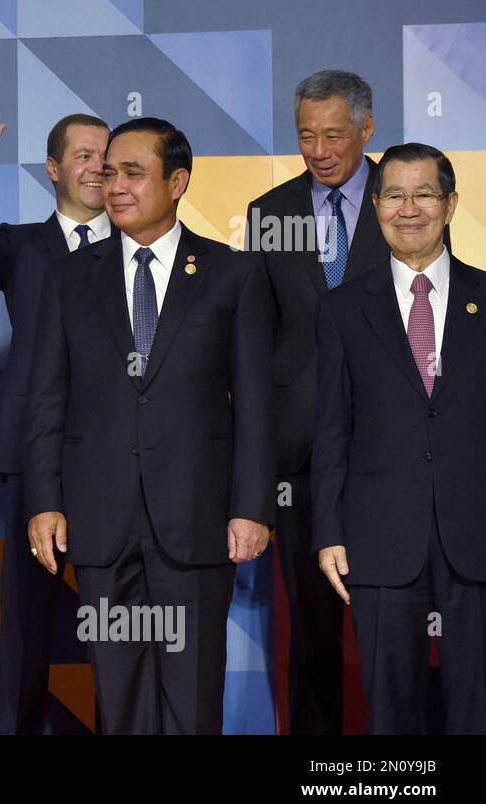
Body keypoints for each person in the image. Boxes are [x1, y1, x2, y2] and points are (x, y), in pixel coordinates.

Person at [24, 118, 275, 734]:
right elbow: (47, 399)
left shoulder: (232, 274)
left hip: (196, 516)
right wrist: (44, 501)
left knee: (192, 698)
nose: (115, 186)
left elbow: (257, 405)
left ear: (178, 181)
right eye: (109, 172)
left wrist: (251, 507)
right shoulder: (70, 276)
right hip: (99, 520)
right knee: (118, 697)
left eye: (133, 173)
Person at [0, 92, 112, 733]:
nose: (98, 167)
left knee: (119, 627)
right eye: (84, 155)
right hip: (31, 457)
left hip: (117, 457)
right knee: (26, 623)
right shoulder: (19, 245)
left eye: (107, 156)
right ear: (53, 169)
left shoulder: (141, 247)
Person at [313, 143, 485, 734]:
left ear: (451, 203)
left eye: (424, 194)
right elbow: (331, 430)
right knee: (389, 710)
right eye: (393, 195)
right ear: (376, 205)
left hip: (476, 534)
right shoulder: (340, 309)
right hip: (379, 535)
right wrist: (329, 531)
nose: (408, 209)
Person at [244, 70, 388, 734]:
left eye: (334, 134)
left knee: (398, 625)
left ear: (367, 128)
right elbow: (257, 339)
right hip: (297, 458)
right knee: (312, 627)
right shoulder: (269, 215)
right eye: (306, 135)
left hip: (390, 448)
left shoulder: (407, 194)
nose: (320, 149)